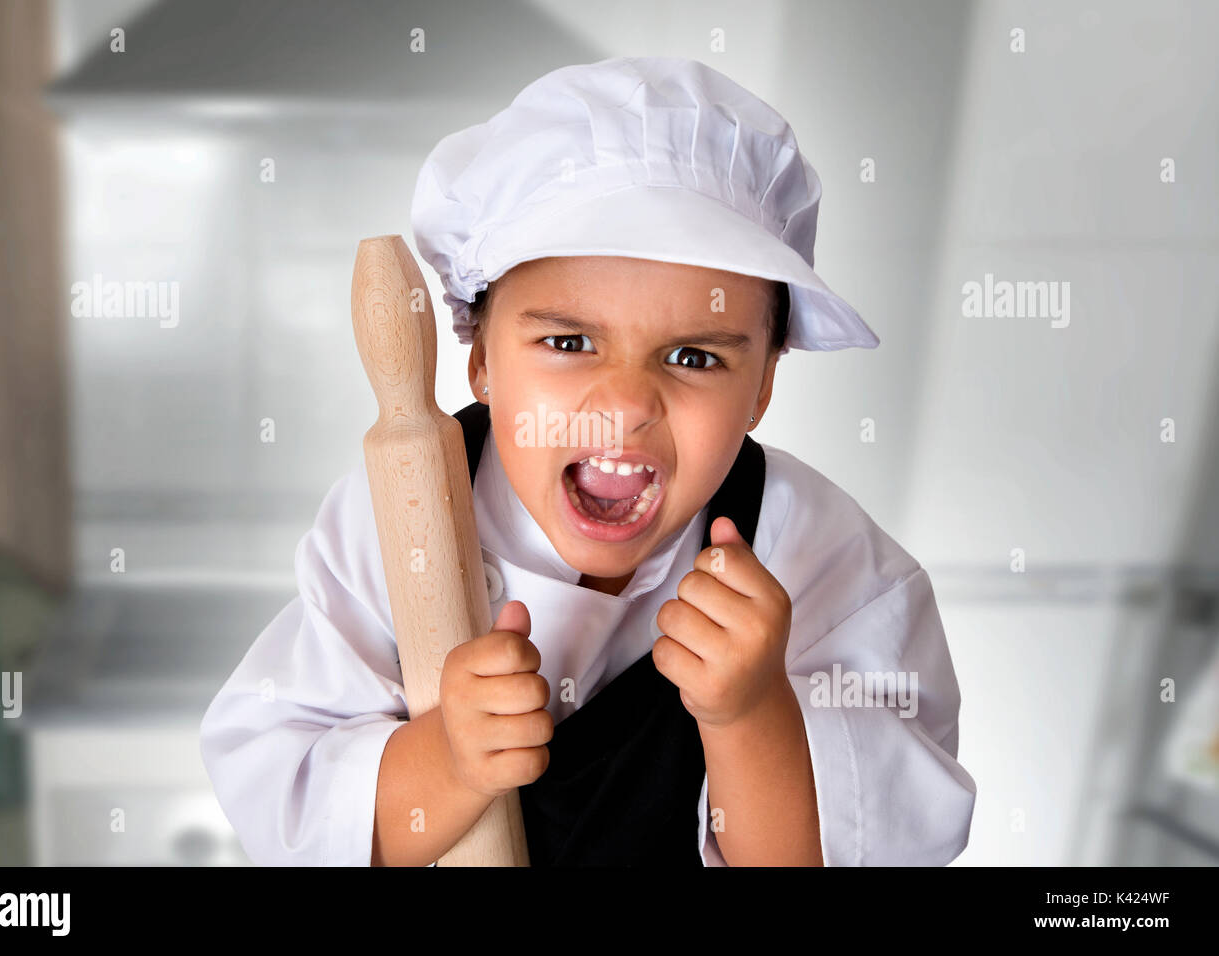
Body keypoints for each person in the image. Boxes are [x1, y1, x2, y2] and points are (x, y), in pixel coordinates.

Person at [200, 55, 976, 866]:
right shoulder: (396, 522)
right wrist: (448, 762)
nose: (625, 402)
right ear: (481, 363)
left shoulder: (832, 566)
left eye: (695, 356)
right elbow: (292, 812)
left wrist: (751, 716)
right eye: (569, 342)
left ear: (763, 387)